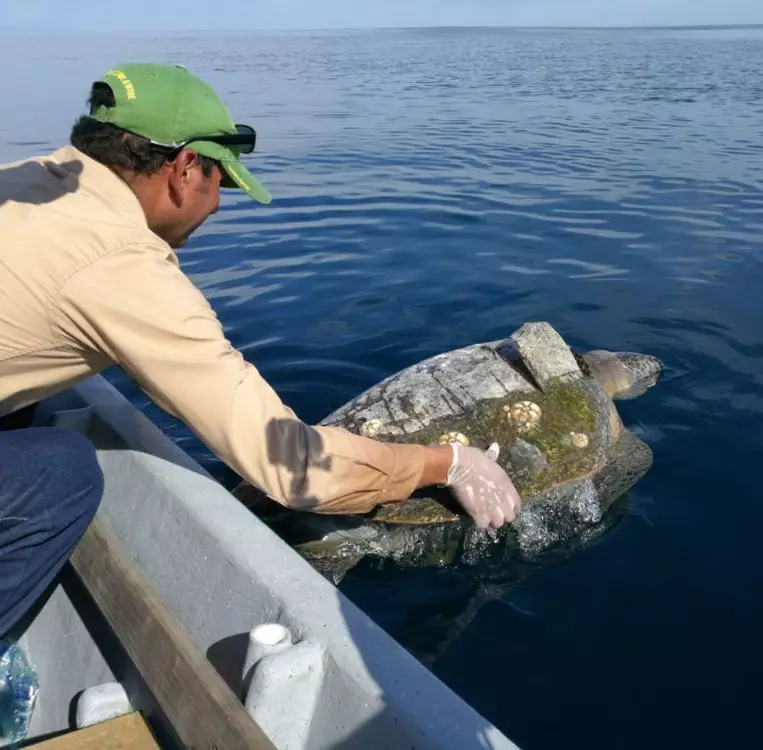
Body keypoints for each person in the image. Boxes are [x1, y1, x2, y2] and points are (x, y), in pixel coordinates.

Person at [0, 62, 522, 637]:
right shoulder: (121, 270)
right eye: (220, 181)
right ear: (184, 167)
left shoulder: (24, 179)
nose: (219, 205)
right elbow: (294, 468)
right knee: (63, 471)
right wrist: (445, 462)